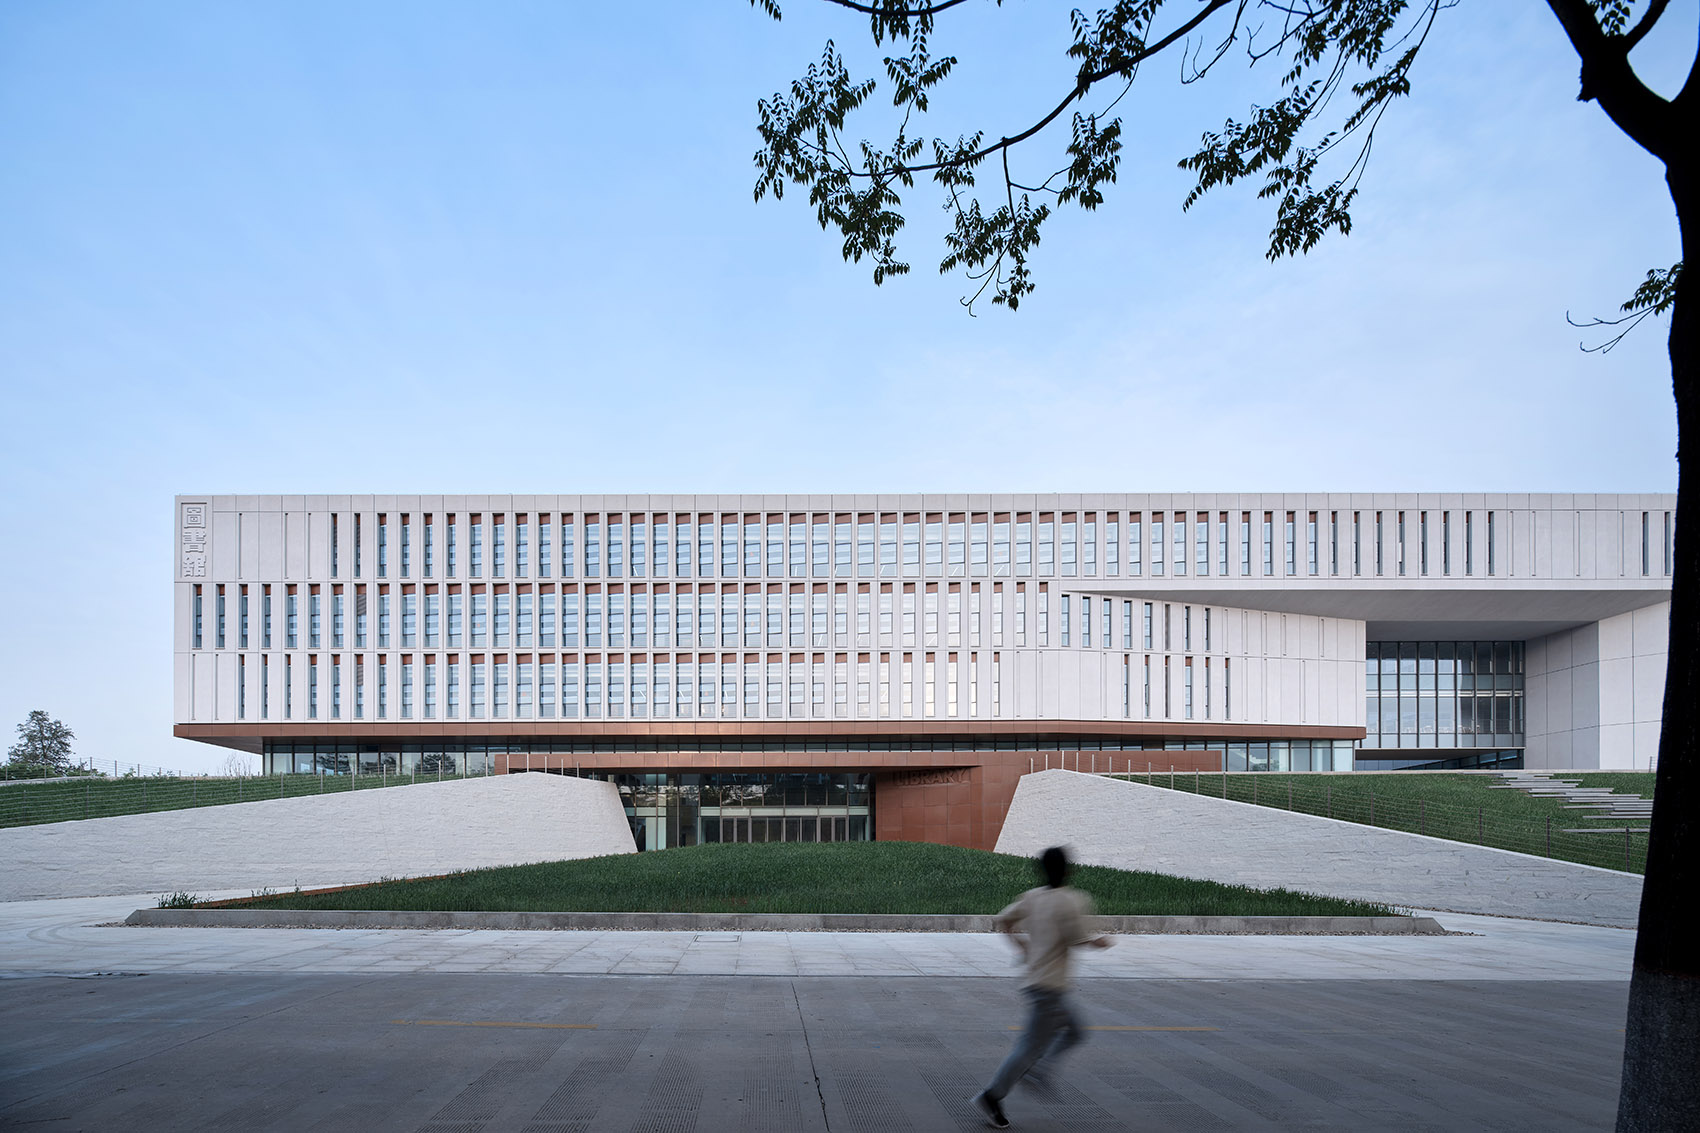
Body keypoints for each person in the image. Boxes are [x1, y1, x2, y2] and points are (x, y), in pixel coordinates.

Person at [973, 845, 1112, 1129]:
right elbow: (1076, 939)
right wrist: (1098, 942)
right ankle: (992, 1095)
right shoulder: (1071, 900)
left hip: (1038, 983)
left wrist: (1021, 945)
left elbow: (1003, 920)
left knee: (1074, 1031)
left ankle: (1037, 1070)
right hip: (1050, 987)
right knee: (1029, 1048)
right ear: (1068, 870)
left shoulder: (1033, 897)